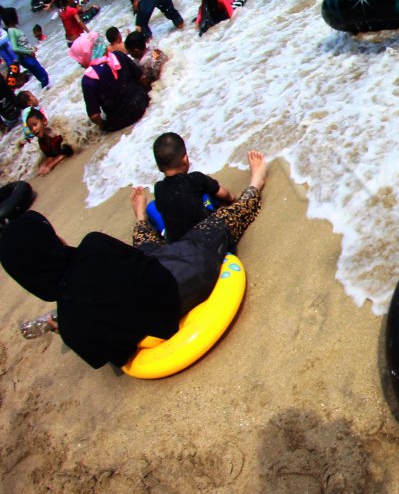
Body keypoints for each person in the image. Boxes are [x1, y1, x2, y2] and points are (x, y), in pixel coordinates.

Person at [2, 150, 268, 368]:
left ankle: (141, 216)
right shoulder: (92, 249)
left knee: (143, 250)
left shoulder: (72, 330)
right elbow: (143, 266)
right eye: (51, 236)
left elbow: (112, 355)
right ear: (49, 245)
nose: (59, 239)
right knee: (224, 220)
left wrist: (71, 324)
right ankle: (256, 180)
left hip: (138, 305)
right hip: (182, 279)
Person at [152, 132, 236, 242]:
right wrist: (231, 198)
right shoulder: (196, 178)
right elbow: (225, 195)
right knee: (208, 196)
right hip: (208, 238)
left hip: (178, 247)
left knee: (152, 207)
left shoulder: (158, 188)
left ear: (159, 167)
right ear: (185, 160)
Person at [70, 31, 149, 132]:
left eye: (79, 57)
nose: (79, 62)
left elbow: (95, 116)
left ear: (87, 54)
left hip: (121, 123)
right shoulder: (118, 55)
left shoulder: (89, 79)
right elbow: (142, 78)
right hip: (143, 104)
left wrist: (104, 127)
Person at [3, 8, 49, 88]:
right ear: (12, 18)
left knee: (41, 76)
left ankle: (47, 91)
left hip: (27, 57)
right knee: (43, 75)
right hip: (25, 57)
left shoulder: (13, 29)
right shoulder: (11, 31)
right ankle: (48, 91)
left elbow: (22, 44)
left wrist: (31, 48)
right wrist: (29, 52)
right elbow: (14, 48)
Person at [24, 108, 73, 176]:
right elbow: (50, 155)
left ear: (44, 121)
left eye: (35, 125)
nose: (34, 129)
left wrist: (50, 166)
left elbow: (67, 151)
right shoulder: (41, 141)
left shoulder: (55, 135)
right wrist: (44, 165)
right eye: (30, 128)